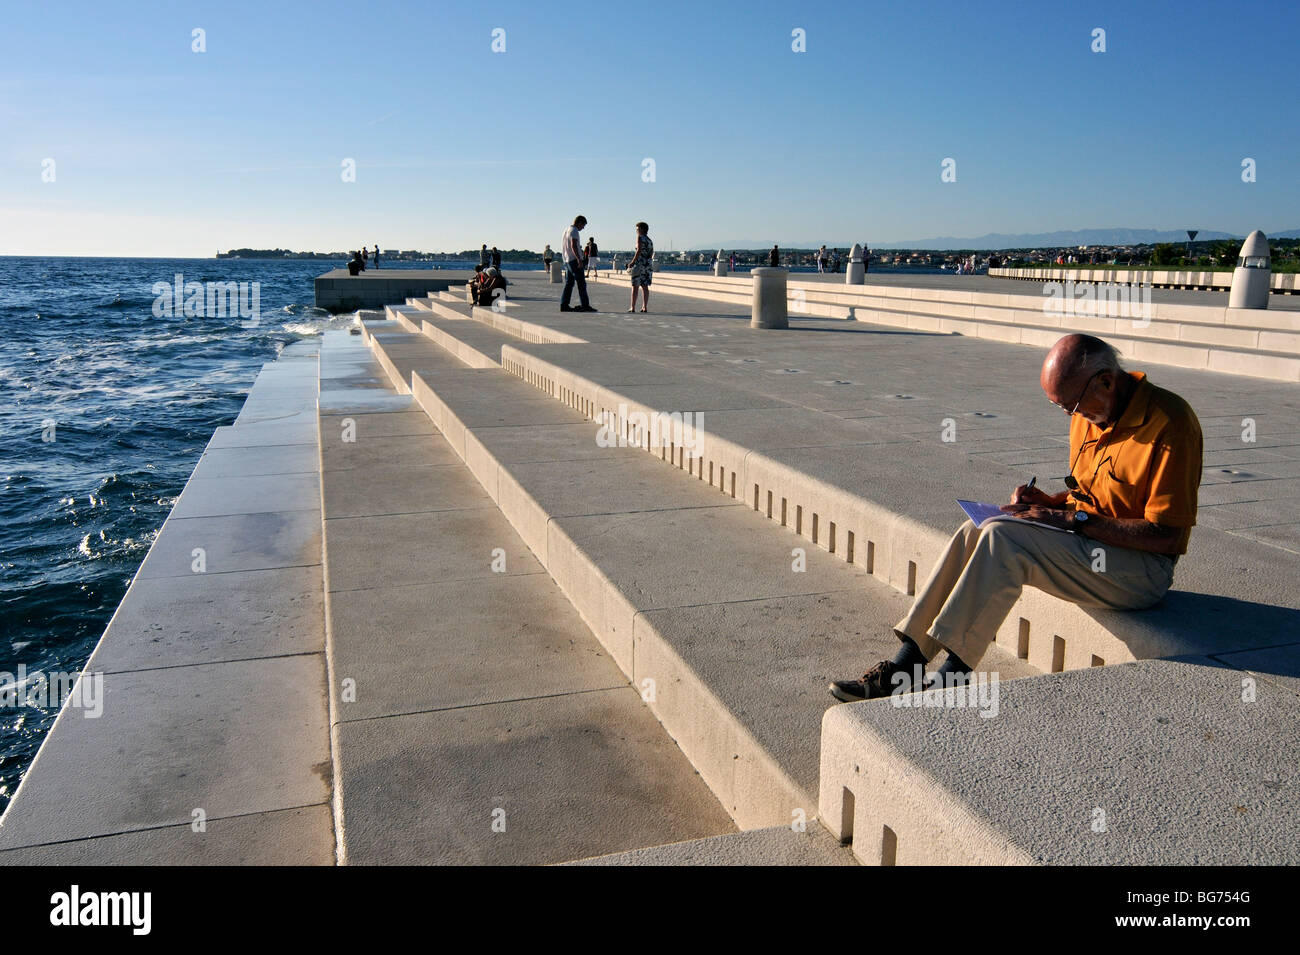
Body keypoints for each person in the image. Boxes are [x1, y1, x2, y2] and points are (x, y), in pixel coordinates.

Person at [830, 334, 1203, 702]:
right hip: (1092, 544)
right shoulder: (1091, 411)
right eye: (1061, 407)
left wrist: (1073, 522)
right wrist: (1049, 504)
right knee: (976, 529)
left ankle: (951, 680)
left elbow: (1167, 536)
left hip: (1142, 572)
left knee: (1003, 540)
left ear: (1106, 380)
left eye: (1071, 405)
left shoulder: (1170, 423)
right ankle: (905, 668)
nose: (1071, 416)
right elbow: (1092, 497)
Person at [560, 215, 596, 312]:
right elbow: (573, 245)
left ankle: (564, 305)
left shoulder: (566, 230)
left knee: (569, 283)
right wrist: (579, 259)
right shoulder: (574, 231)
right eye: (583, 225)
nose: (583, 228)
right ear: (579, 222)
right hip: (574, 261)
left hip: (566, 260)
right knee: (581, 284)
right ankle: (585, 305)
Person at [627, 221, 653, 313]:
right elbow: (651, 253)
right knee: (645, 286)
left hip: (639, 265)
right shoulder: (649, 240)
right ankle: (644, 307)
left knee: (635, 286)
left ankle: (632, 307)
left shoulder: (640, 238)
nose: (636, 231)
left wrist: (632, 262)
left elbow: (638, 251)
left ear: (642, 229)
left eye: (637, 229)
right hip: (647, 265)